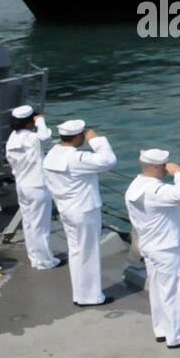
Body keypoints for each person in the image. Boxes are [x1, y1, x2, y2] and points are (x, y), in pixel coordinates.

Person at [124, 149, 180, 348]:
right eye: (165, 165)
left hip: (150, 246)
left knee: (157, 291)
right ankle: (178, 336)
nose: (167, 168)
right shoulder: (155, 191)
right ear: (158, 167)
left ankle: (162, 329)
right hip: (168, 249)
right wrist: (179, 174)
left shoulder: (136, 185)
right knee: (173, 292)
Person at [42, 120, 117, 306]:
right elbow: (108, 161)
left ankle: (81, 293)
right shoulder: (76, 158)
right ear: (77, 137)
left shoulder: (53, 154)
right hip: (84, 211)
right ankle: (90, 297)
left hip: (66, 209)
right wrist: (97, 141)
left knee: (76, 252)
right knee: (89, 253)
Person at [4, 105, 60, 270]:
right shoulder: (31, 139)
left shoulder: (12, 138)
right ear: (29, 123)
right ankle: (45, 261)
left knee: (29, 224)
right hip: (37, 186)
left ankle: (35, 258)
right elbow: (45, 136)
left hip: (22, 185)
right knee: (41, 226)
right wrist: (41, 120)